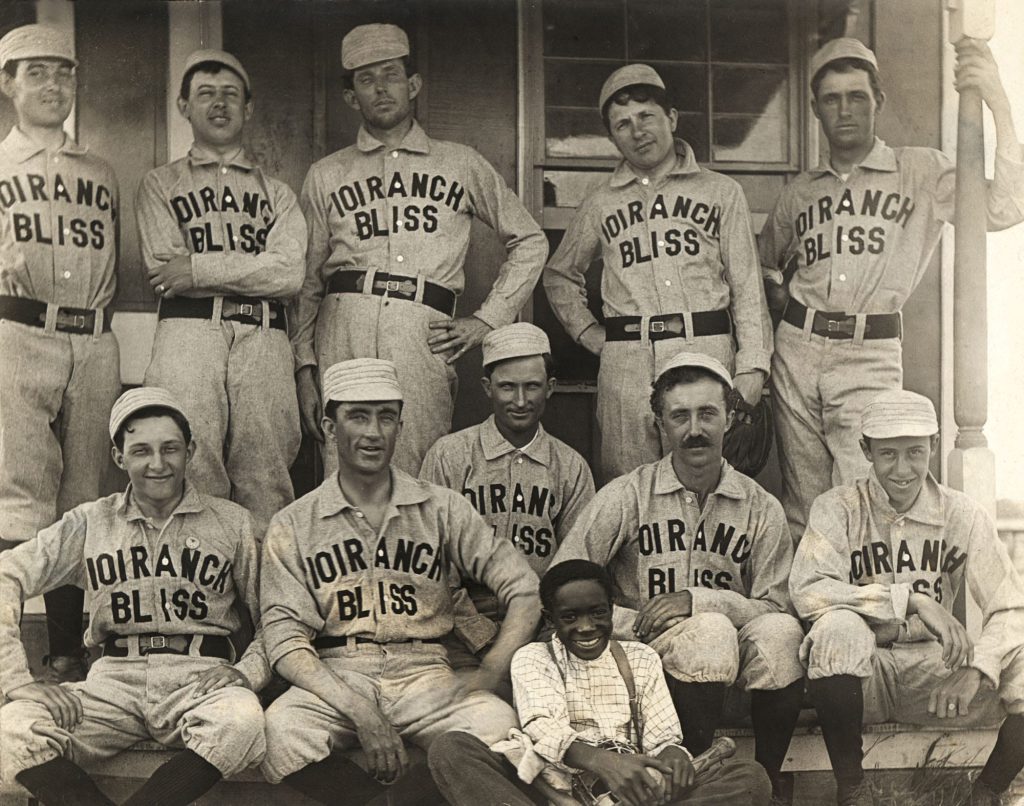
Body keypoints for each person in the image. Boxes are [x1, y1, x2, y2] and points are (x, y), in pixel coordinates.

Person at [759, 37, 1024, 541]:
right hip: (796, 349)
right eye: (832, 99)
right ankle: (818, 615)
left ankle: (870, 613)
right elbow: (764, 266)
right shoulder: (800, 190)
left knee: (869, 497)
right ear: (815, 109)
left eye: (857, 96)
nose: (845, 110)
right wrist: (777, 292)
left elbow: (1004, 207)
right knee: (804, 506)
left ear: (877, 101)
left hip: (869, 351)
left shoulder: (920, 171)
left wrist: (998, 102)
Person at [259, 358, 542, 805]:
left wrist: (491, 669)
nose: (373, 432)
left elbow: (524, 589)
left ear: (399, 425)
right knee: (280, 734)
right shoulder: (294, 522)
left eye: (385, 416)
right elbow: (284, 639)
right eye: (357, 416)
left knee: (500, 729)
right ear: (330, 428)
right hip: (340, 673)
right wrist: (362, 713)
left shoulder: (440, 507)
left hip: (426, 673)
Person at [292, 23, 547, 477]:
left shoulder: (460, 162)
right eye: (365, 80)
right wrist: (305, 368)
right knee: (341, 474)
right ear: (352, 97)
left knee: (419, 474)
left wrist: (488, 319)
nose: (380, 89)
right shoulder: (326, 173)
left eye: (390, 74)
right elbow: (308, 281)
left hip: (420, 330)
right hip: (343, 326)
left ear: (413, 85)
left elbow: (529, 239)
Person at [552, 352, 804, 803]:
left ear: (729, 418)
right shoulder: (629, 493)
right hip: (646, 655)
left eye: (708, 414)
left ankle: (768, 780)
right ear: (660, 424)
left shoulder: (759, 504)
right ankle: (695, 780)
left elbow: (778, 604)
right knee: (708, 634)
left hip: (728, 656)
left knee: (780, 633)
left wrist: (703, 601)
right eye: (680, 416)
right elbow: (564, 578)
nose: (695, 430)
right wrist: (630, 621)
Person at [0, 387, 270, 806]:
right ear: (118, 457)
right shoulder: (92, 522)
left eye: (170, 449)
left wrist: (249, 671)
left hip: (200, 677)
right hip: (112, 683)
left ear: (191, 451)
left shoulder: (232, 523)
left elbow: (279, 613)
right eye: (141, 450)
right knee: (11, 729)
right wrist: (16, 682)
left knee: (242, 720)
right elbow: (6, 574)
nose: (157, 464)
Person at [790, 390, 1024, 806]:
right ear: (866, 450)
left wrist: (977, 671)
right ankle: (853, 791)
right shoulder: (838, 507)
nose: (903, 469)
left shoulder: (962, 513)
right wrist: (910, 600)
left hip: (935, 677)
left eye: (915, 451)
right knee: (838, 628)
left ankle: (986, 792)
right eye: (888, 454)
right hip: (864, 674)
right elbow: (809, 590)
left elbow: (1011, 607)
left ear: (933, 446)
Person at [543, 63, 771, 484]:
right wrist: (590, 335)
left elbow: (747, 287)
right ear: (612, 137)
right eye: (622, 124)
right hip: (627, 362)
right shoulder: (600, 203)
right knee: (629, 485)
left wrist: (753, 366)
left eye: (646, 116)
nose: (637, 131)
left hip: (705, 348)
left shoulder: (721, 192)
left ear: (671, 118)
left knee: (710, 484)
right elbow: (559, 275)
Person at [429, 559, 772, 806]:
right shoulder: (533, 658)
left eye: (597, 613)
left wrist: (673, 758)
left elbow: (663, 737)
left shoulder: (641, 657)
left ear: (611, 609)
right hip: (555, 791)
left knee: (750, 777)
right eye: (570, 617)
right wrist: (605, 763)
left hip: (631, 795)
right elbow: (542, 729)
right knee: (451, 750)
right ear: (550, 620)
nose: (586, 627)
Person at [136, 49, 306, 533]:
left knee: (267, 474)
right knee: (192, 465)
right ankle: (202, 605)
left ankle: (264, 605)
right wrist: (240, 268)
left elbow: (289, 275)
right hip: (189, 334)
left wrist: (199, 266)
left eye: (231, 95)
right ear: (183, 107)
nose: (219, 104)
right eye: (205, 94)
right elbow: (165, 270)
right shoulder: (159, 184)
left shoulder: (279, 193)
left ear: (248, 109)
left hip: (265, 335)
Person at [0, 24, 121, 683]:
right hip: (19, 331)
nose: (53, 85)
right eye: (36, 72)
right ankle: (8, 654)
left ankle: (70, 649)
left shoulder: (101, 171)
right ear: (8, 84)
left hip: (92, 336)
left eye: (64, 73)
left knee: (84, 497)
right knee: (18, 493)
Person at [420, 322, 595, 668]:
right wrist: (480, 636)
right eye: (507, 387)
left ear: (550, 388)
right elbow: (432, 564)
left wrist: (538, 634)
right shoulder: (450, 455)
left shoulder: (570, 466)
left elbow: (576, 568)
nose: (519, 400)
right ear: (487, 388)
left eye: (532, 387)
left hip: (545, 627)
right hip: (459, 626)